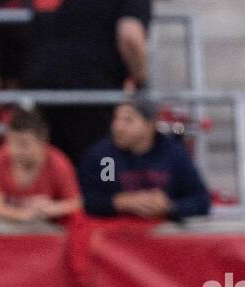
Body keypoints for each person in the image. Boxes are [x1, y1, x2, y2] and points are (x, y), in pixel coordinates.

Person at [18, 0, 150, 168]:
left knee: (56, 164)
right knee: (105, 160)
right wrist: (141, 79)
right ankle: (104, 189)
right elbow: (130, 36)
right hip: (97, 90)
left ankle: (68, 192)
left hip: (44, 86)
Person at [78, 96, 211, 220]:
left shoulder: (173, 154)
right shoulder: (106, 158)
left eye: (128, 120)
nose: (118, 127)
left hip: (160, 235)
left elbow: (200, 200)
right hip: (115, 236)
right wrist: (119, 202)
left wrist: (170, 207)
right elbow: (90, 200)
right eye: (116, 119)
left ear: (150, 125)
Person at [0, 104, 81, 223]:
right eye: (10, 142)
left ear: (42, 141)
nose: (15, 150)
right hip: (7, 227)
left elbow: (76, 204)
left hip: (48, 228)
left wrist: (51, 208)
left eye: (23, 144)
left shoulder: (58, 162)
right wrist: (24, 215)